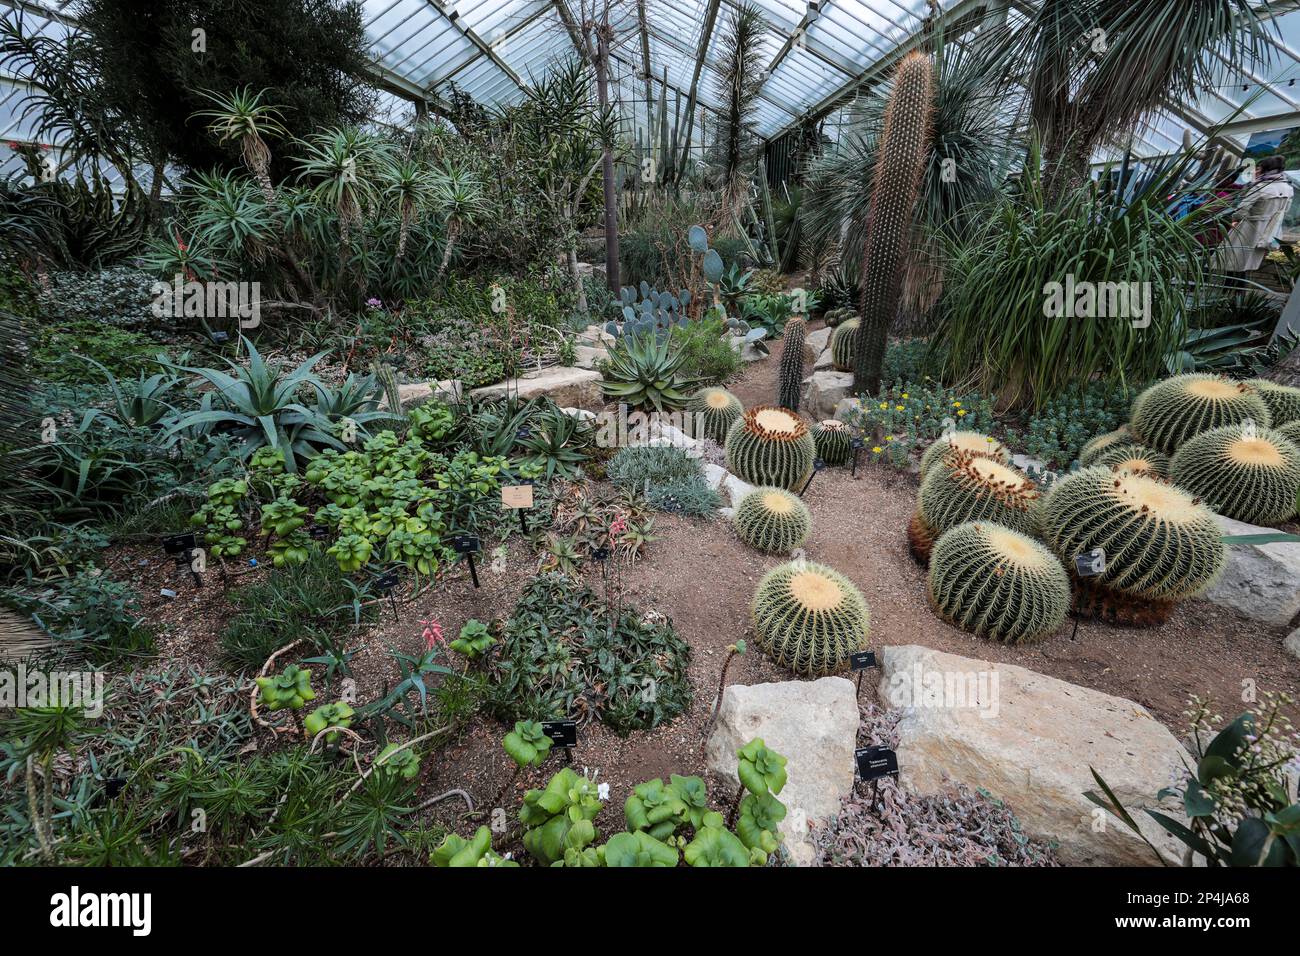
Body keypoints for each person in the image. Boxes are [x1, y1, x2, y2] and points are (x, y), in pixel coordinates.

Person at [1215, 154, 1295, 276]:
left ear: (1266, 170)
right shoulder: (1288, 189)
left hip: (1248, 227)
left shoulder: (1260, 187)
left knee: (1233, 261)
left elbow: (1243, 208)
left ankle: (1229, 290)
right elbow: (1286, 209)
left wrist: (1234, 220)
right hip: (1268, 230)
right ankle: (1238, 292)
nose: (1256, 171)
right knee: (1247, 264)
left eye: (1258, 168)